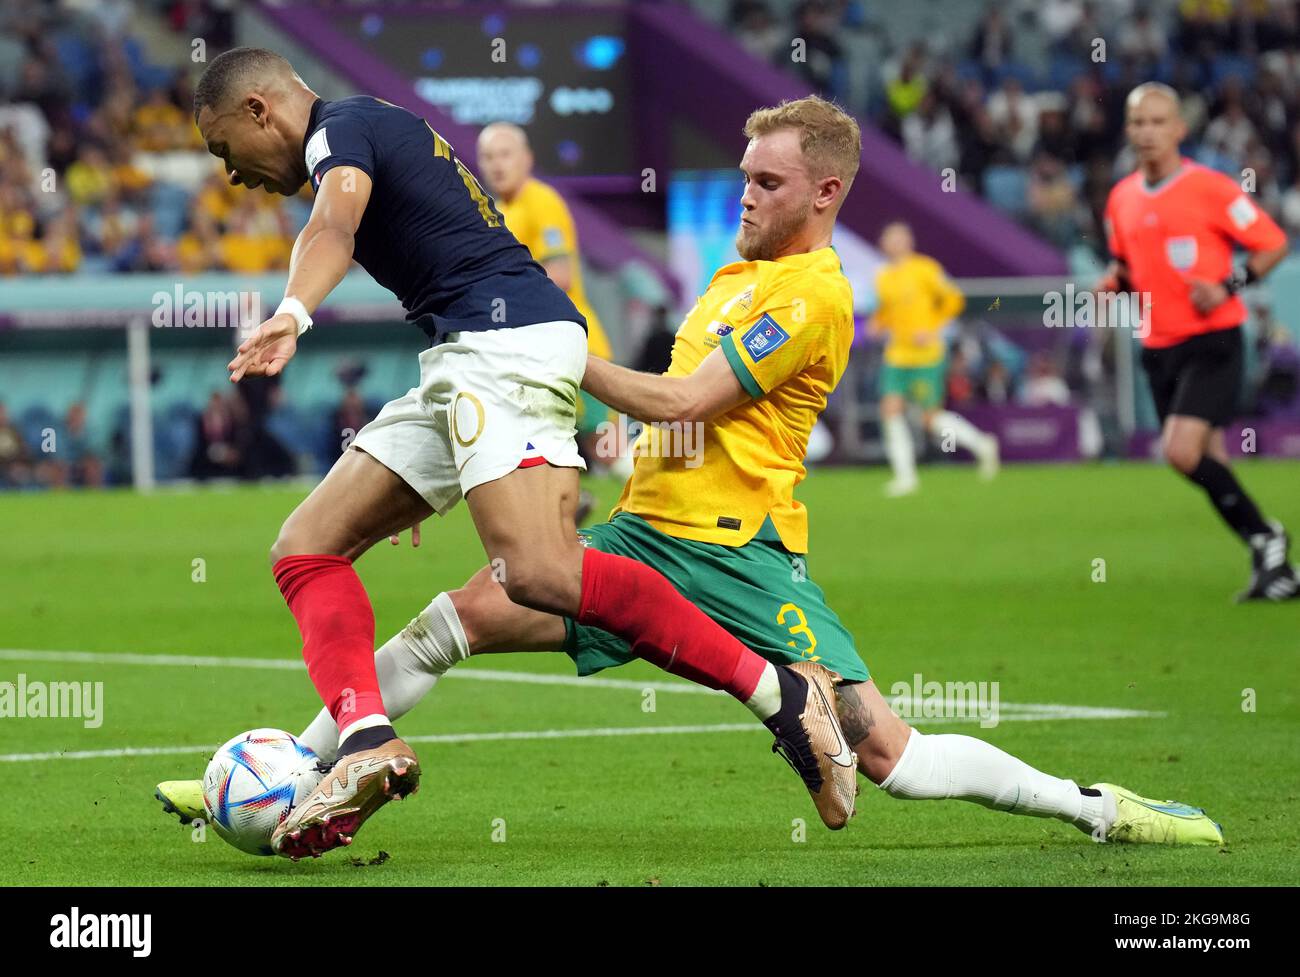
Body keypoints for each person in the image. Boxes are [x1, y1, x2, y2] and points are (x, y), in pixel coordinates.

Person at [160, 96, 1222, 849]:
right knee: (449, 620)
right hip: (641, 530)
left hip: (737, 556)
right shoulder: (730, 276)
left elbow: (677, 400)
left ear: (826, 191)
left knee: (884, 755)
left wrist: (547, 375)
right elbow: (659, 421)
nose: (746, 197)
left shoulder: (810, 294)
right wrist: (543, 447)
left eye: (767, 182)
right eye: (743, 176)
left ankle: (1095, 806)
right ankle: (295, 769)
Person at [191, 49, 854, 857]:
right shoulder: (365, 133)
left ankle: (781, 694)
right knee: (305, 547)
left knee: (538, 571)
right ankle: (365, 737)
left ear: (262, 110)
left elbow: (334, 224)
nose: (233, 174)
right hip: (463, 355)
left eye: (226, 150)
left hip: (505, 346)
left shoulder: (344, 130)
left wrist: (293, 312)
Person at [1099, 82, 1298, 602]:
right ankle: (1270, 563)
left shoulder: (1211, 188)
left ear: (1179, 129)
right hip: (1158, 346)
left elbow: (1273, 243)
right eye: (1139, 122)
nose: (1147, 132)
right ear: (1128, 129)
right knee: (1210, 458)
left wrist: (1229, 284)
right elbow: (1126, 266)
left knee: (1180, 451)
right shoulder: (1120, 198)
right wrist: (1112, 284)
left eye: (1158, 122)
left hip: (1214, 340)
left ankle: (1268, 536)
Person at [870, 221, 999, 496]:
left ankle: (981, 444)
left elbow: (954, 299)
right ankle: (905, 477)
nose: (891, 243)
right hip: (897, 355)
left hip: (927, 355)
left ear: (908, 242)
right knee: (890, 409)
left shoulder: (925, 269)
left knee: (930, 418)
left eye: (897, 238)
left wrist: (932, 329)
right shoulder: (883, 276)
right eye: (888, 238)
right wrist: (877, 324)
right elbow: (886, 312)